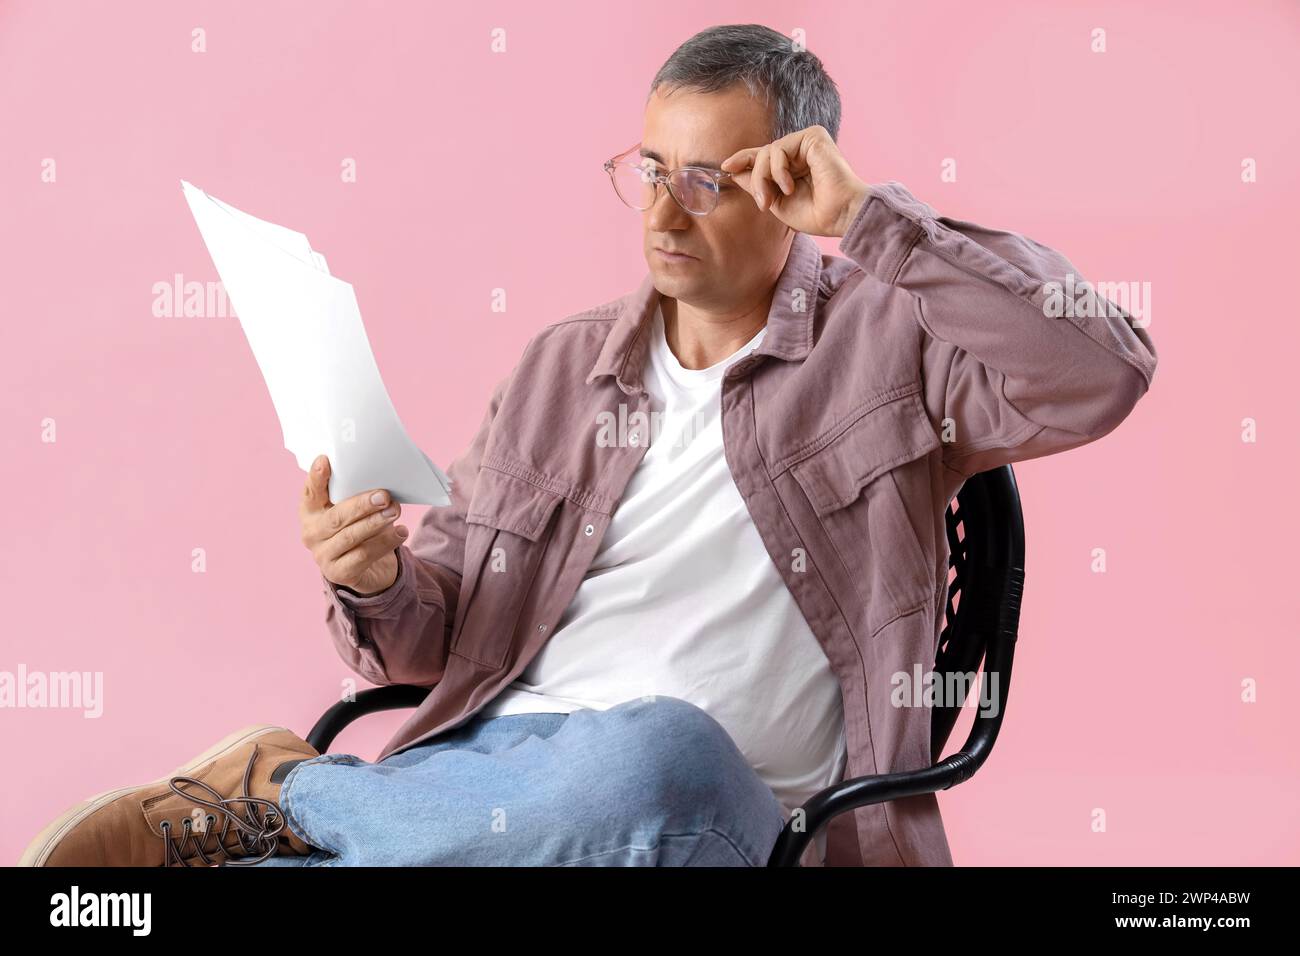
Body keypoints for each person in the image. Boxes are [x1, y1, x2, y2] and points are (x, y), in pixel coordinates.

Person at [21, 23, 1156, 868]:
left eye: (707, 182)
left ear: (795, 181)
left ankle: (293, 791)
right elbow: (442, 629)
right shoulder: (565, 369)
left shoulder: (897, 341)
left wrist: (872, 222)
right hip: (486, 784)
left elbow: (1100, 370)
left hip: (723, 810)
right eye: (651, 171)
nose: (663, 215)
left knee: (658, 751)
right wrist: (372, 582)